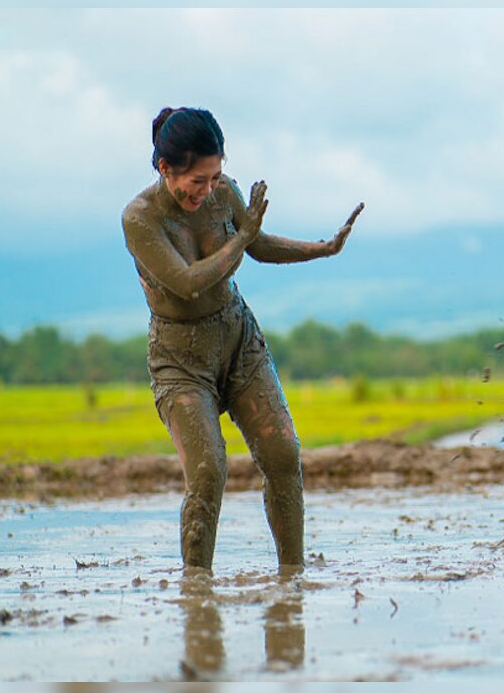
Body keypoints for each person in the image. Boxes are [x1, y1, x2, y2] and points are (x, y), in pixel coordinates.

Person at [122, 107, 363, 572]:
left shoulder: (223, 193)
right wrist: (241, 238)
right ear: (164, 168)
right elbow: (188, 281)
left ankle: (292, 582)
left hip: (237, 338)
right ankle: (197, 593)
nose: (208, 190)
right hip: (180, 360)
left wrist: (323, 248)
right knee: (209, 471)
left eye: (215, 177)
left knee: (283, 455)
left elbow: (259, 244)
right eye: (197, 180)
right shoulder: (140, 218)